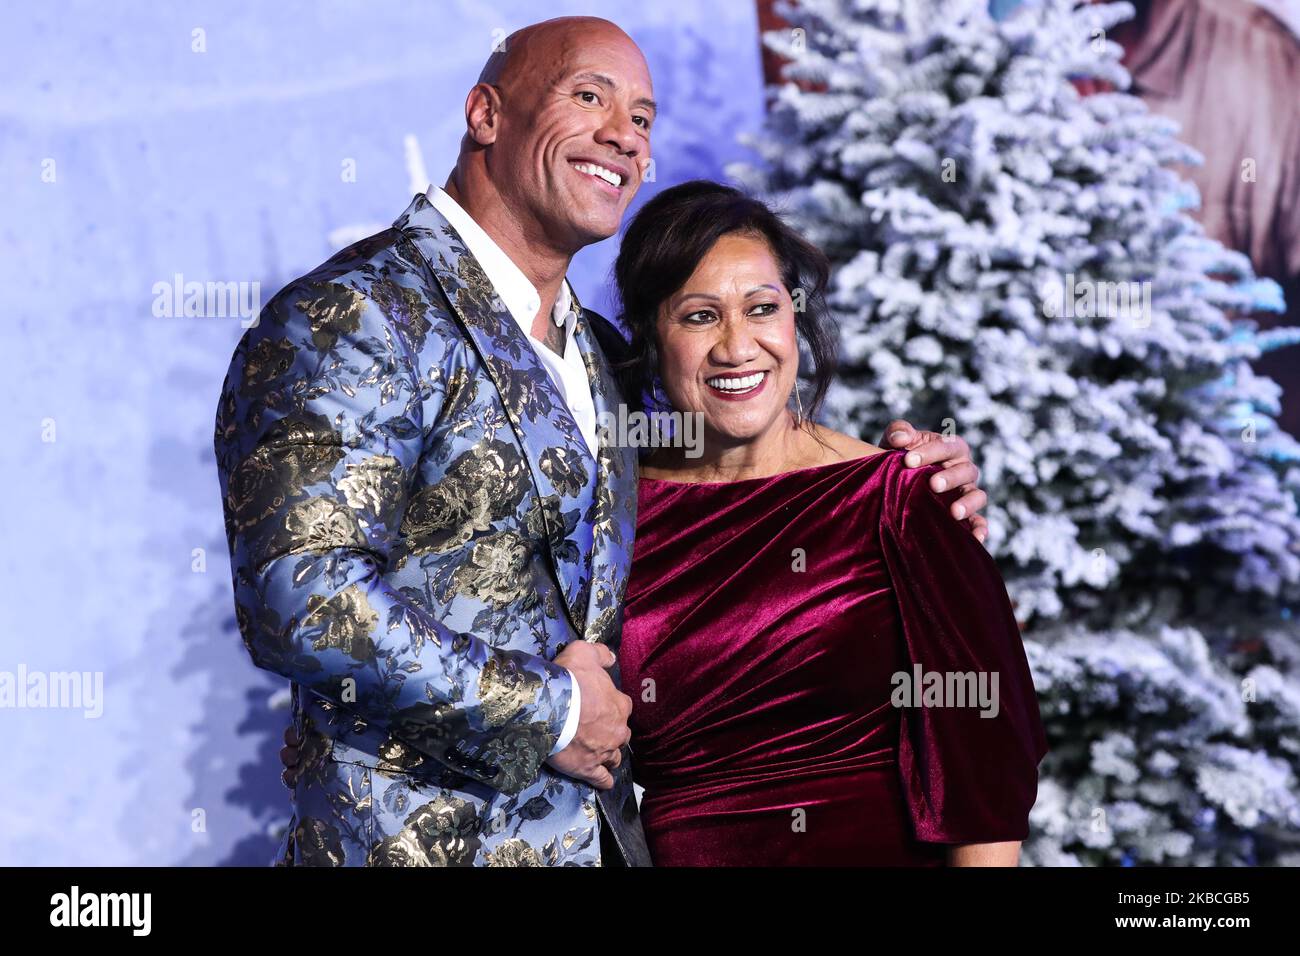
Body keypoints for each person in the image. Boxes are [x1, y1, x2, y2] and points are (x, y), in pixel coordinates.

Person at [234, 16, 990, 867]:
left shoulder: (596, 352)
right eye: (587, 96)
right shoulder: (359, 314)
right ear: (486, 114)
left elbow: (736, 404)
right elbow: (301, 596)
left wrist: (899, 475)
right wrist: (550, 709)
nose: (623, 134)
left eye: (642, 116)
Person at [614, 181, 1049, 865]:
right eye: (699, 317)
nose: (737, 347)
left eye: (762, 309)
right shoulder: (611, 512)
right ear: (649, 335)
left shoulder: (899, 497)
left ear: (796, 320)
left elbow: (984, 764)